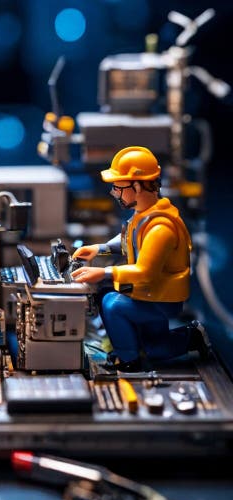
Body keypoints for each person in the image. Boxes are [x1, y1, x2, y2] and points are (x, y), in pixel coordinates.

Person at [71, 146, 209, 371]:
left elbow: (145, 272)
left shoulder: (161, 229)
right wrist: (99, 249)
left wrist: (103, 273)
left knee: (113, 304)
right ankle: (192, 336)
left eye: (118, 187)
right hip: (149, 292)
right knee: (157, 349)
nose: (114, 193)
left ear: (136, 186)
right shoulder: (144, 217)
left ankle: (129, 360)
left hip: (161, 297)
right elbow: (129, 240)